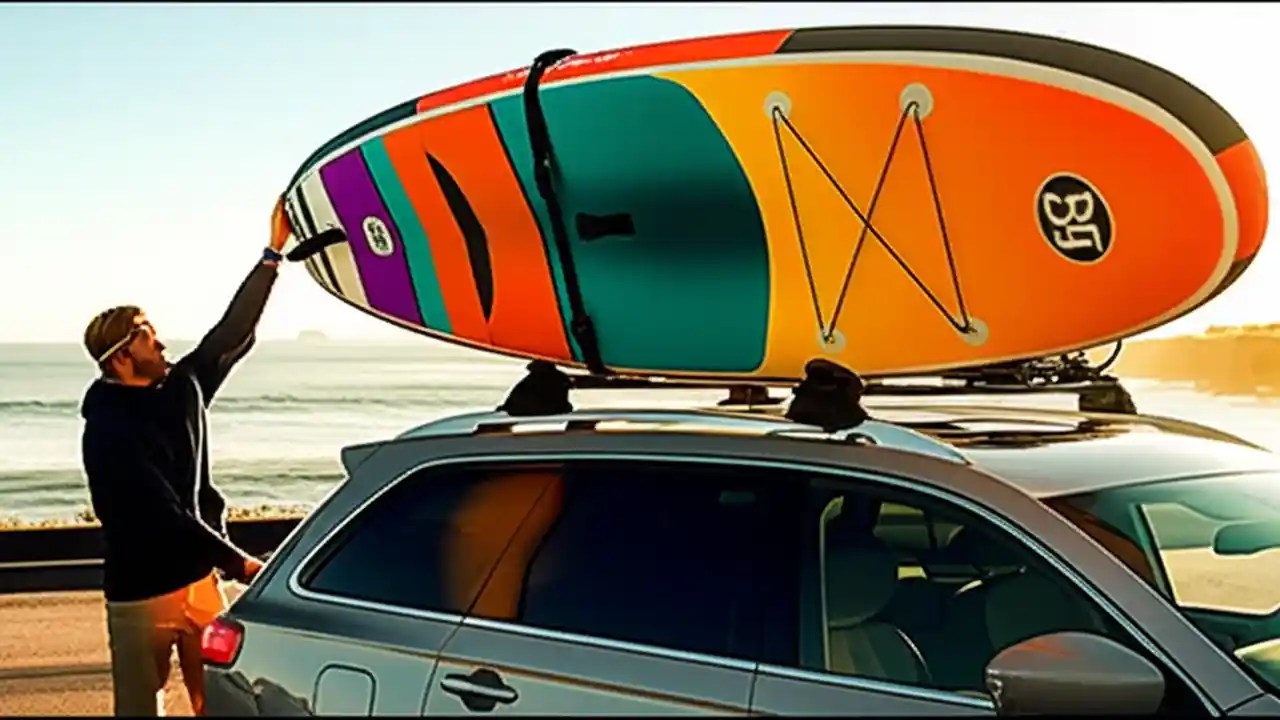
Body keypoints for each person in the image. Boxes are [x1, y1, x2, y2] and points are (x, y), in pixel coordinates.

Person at [79, 197, 294, 716]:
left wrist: (272, 254)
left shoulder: (183, 387)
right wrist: (240, 562)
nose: (161, 340)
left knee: (218, 705)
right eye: (148, 333)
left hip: (200, 583)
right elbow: (164, 516)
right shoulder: (108, 431)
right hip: (141, 597)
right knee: (139, 709)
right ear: (123, 355)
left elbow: (230, 334)